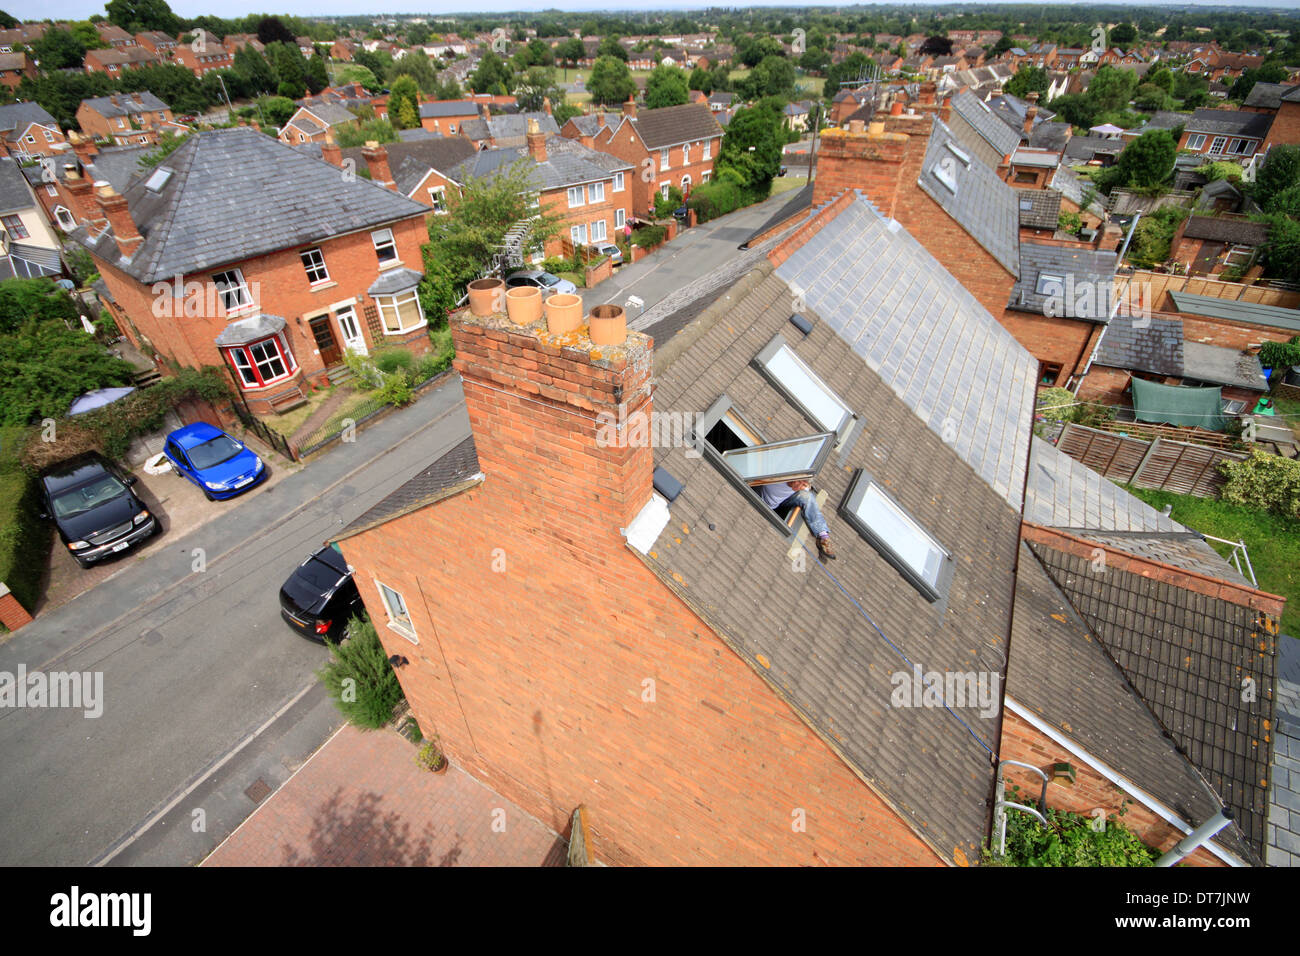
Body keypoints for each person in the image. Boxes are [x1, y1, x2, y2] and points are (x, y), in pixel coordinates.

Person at [756, 479, 835, 559]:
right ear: (794, 477)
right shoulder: (776, 478)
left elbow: (806, 489)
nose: (800, 486)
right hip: (762, 500)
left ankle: (823, 536)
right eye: (800, 482)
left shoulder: (801, 486)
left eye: (804, 484)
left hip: (782, 502)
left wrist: (805, 486)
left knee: (807, 496)